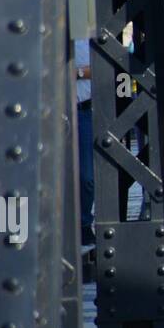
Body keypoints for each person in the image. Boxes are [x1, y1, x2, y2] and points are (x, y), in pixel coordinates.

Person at [74, 38, 94, 246]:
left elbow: (100, 68)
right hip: (55, 112)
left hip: (83, 111)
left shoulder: (86, 38)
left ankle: (84, 223)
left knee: (86, 176)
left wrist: (76, 73)